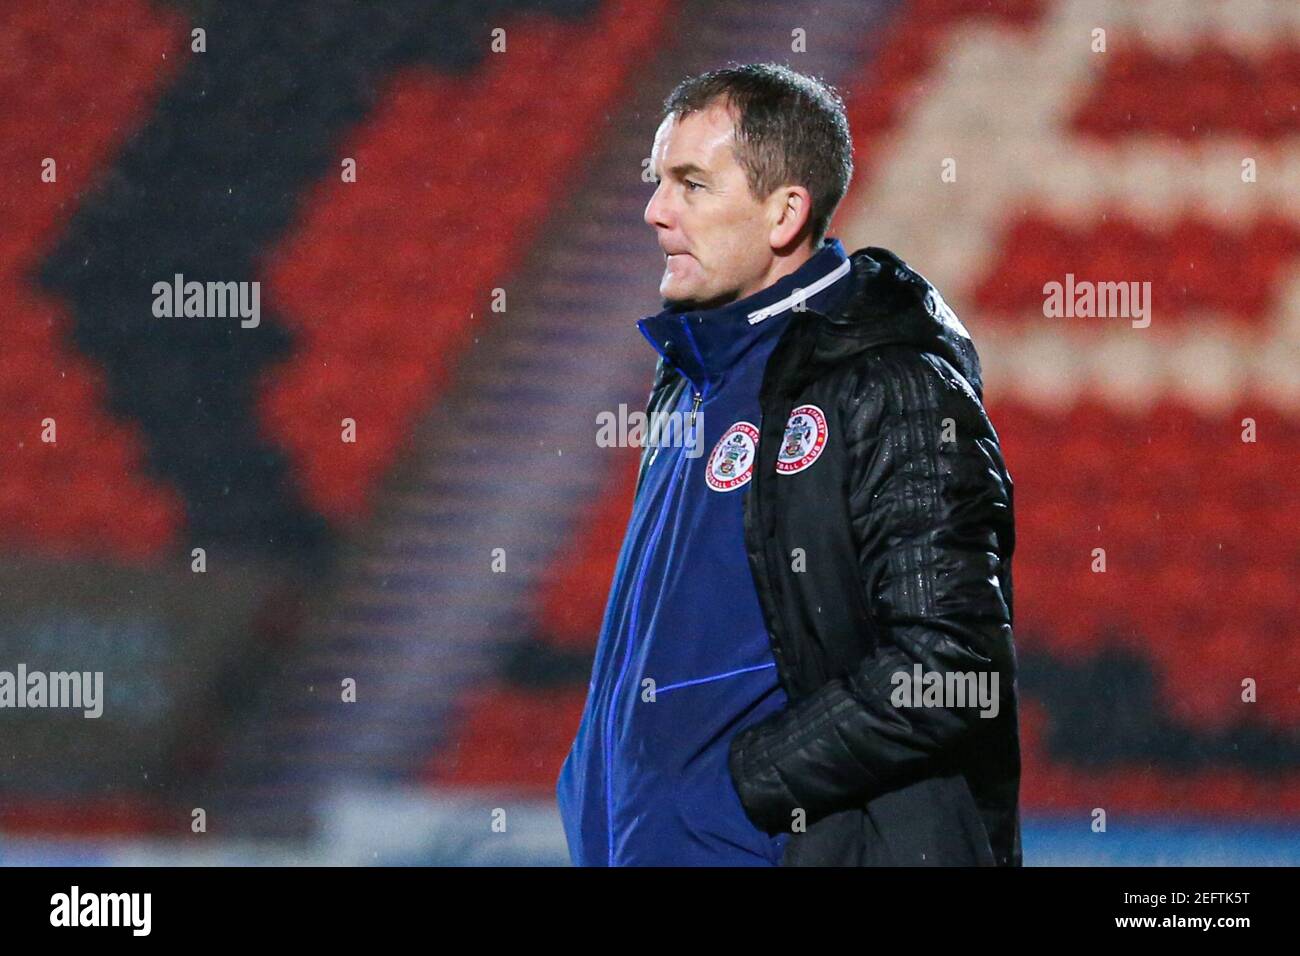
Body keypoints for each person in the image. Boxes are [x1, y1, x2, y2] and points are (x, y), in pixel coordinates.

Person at [556, 62, 1020, 866]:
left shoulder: (890, 385)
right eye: (657, 180)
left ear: (784, 214)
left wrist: (741, 790)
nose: (654, 211)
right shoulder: (689, 375)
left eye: (691, 184)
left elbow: (952, 672)